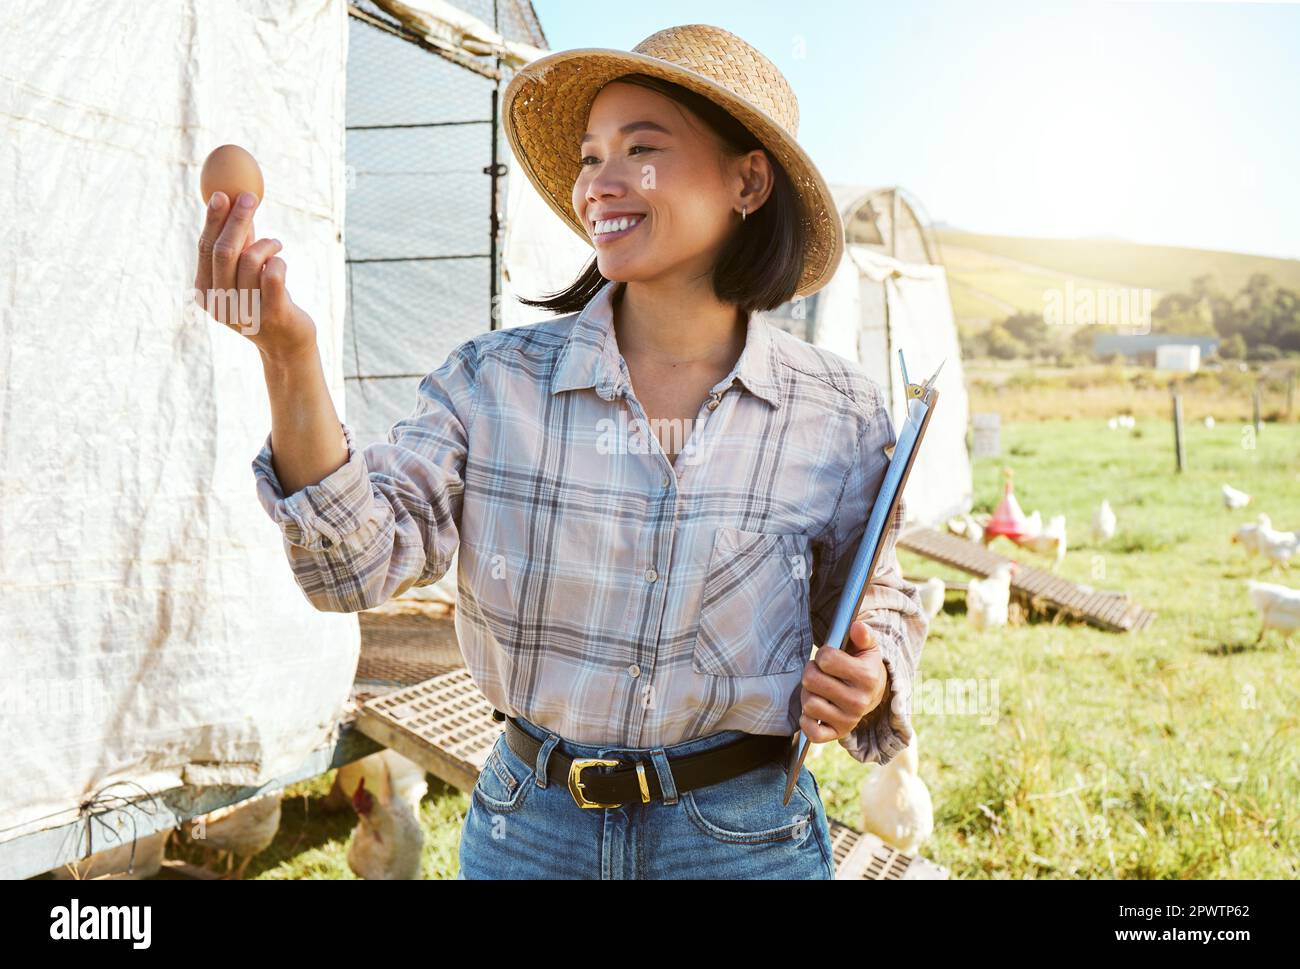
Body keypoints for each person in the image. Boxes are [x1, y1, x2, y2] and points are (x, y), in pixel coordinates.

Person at [193, 23, 927, 880]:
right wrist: (288, 353)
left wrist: (872, 672)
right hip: (530, 834)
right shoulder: (492, 382)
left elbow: (879, 594)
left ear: (748, 180)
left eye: (640, 149)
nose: (600, 183)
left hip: (743, 840)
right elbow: (351, 568)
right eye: (588, 157)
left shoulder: (835, 411)